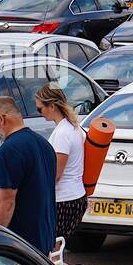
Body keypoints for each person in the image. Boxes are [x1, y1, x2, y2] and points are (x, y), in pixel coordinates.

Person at [0, 95, 57, 255]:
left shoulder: (9, 151)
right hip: (41, 240)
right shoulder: (44, 144)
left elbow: (7, 202)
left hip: (18, 245)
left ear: (1, 118)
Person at [35, 84, 88, 243]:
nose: (40, 113)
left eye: (40, 109)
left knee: (51, 248)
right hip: (75, 196)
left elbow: (56, 174)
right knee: (57, 249)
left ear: (51, 106)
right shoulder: (73, 127)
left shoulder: (62, 133)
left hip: (64, 200)